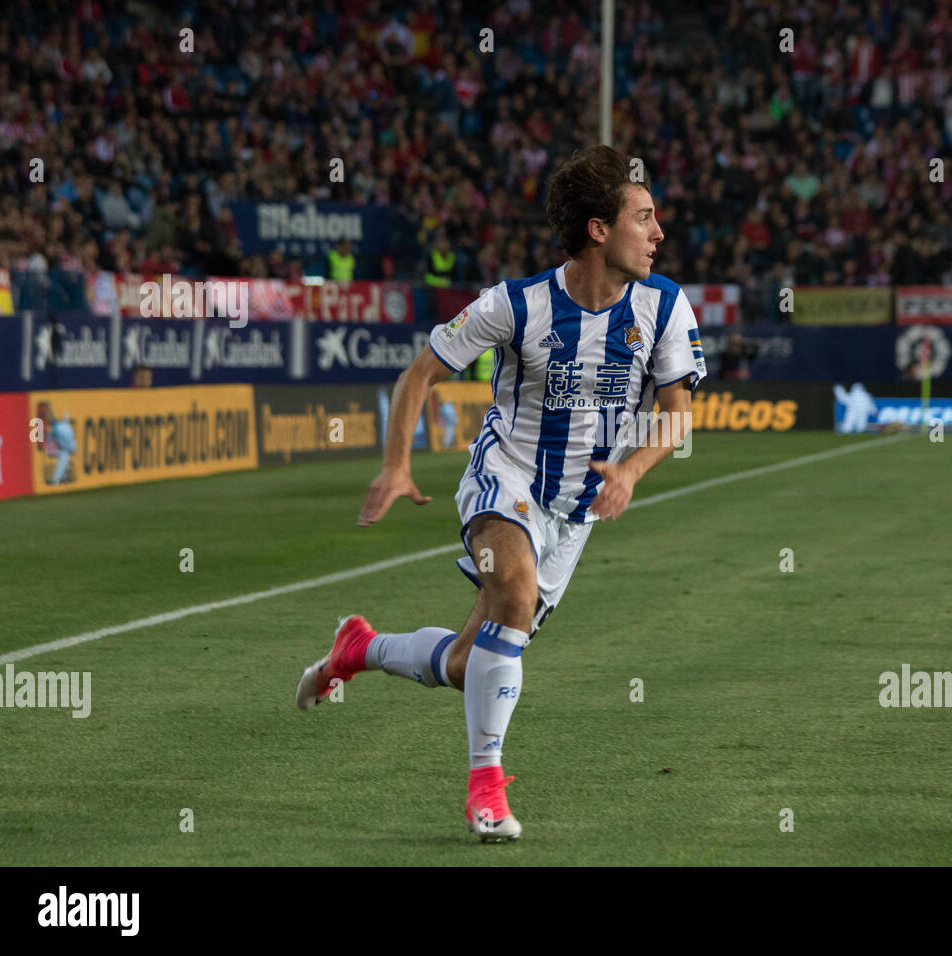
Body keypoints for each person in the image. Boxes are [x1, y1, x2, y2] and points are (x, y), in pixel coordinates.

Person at [295, 145, 703, 842]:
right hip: (504, 479)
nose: (660, 232)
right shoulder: (515, 305)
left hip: (573, 515)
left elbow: (678, 412)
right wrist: (397, 466)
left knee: (469, 662)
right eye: (645, 217)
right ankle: (486, 789)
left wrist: (631, 471)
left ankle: (356, 649)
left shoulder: (664, 306)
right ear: (600, 230)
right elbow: (420, 373)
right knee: (511, 596)